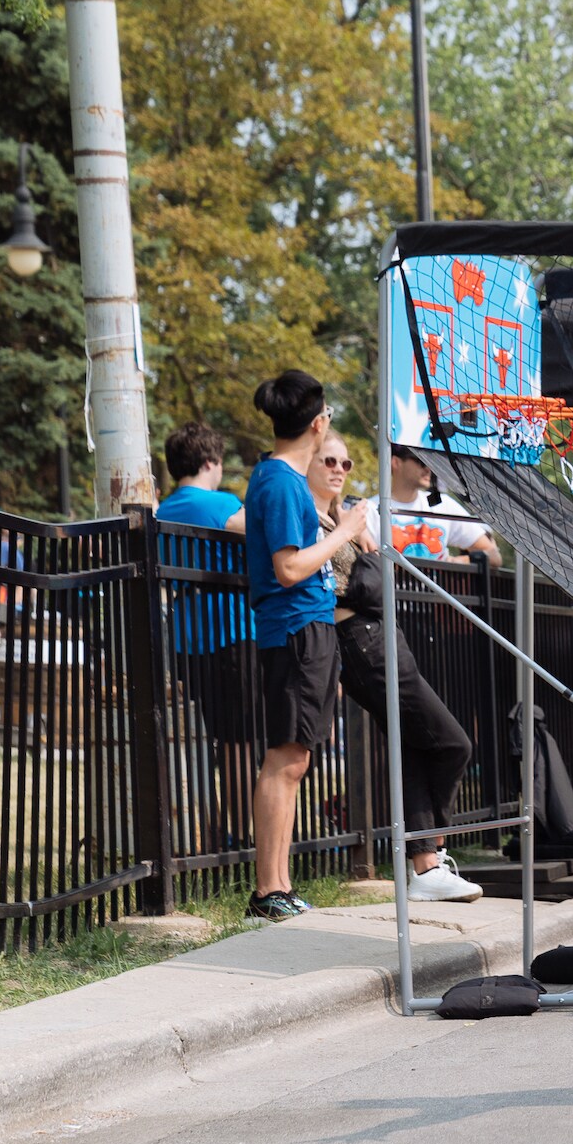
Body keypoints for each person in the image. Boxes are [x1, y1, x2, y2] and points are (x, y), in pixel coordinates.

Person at [311, 431, 480, 903]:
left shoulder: (339, 517)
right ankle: (429, 857)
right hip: (362, 642)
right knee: (452, 744)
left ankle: (425, 868)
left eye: (345, 464)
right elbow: (363, 588)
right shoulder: (320, 518)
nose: (340, 470)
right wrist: (364, 545)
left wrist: (362, 542)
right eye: (329, 460)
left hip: (381, 636)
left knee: (419, 747)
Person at [244, 371, 371, 920]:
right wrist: (345, 532)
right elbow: (289, 567)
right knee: (285, 758)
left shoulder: (290, 482)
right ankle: (266, 892)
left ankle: (280, 885)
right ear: (318, 424)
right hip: (294, 630)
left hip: (309, 630)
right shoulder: (277, 482)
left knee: (296, 761)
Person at [157, 422, 258, 853]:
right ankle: (244, 834)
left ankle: (209, 827)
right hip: (231, 631)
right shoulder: (220, 503)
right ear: (210, 462)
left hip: (185, 637)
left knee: (205, 740)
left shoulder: (161, 511)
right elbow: (267, 533)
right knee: (239, 741)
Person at [370, 445, 501, 565]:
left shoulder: (443, 505)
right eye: (420, 461)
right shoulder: (370, 509)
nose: (428, 468)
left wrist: (459, 561)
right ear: (396, 462)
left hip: (436, 590)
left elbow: (494, 556)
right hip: (391, 591)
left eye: (430, 462)